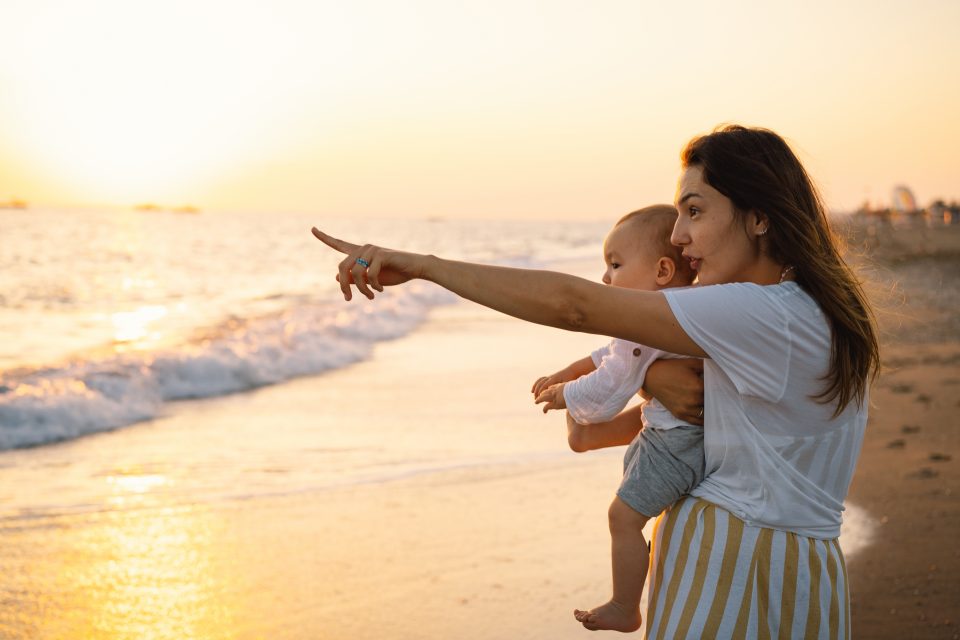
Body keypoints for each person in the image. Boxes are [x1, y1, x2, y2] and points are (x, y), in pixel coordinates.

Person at [311, 124, 879, 638]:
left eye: (696, 212)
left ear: (760, 217)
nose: (678, 236)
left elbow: (576, 306)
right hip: (799, 571)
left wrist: (424, 266)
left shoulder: (762, 314)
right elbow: (623, 424)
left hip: (736, 561)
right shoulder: (797, 311)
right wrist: (650, 378)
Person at [530, 204, 703, 632]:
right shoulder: (685, 305)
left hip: (678, 443)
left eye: (615, 264)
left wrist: (567, 395)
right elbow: (610, 354)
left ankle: (625, 606)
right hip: (681, 433)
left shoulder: (650, 318)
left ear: (662, 271)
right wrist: (571, 371)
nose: (606, 278)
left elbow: (612, 386)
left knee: (622, 518)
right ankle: (583, 436)